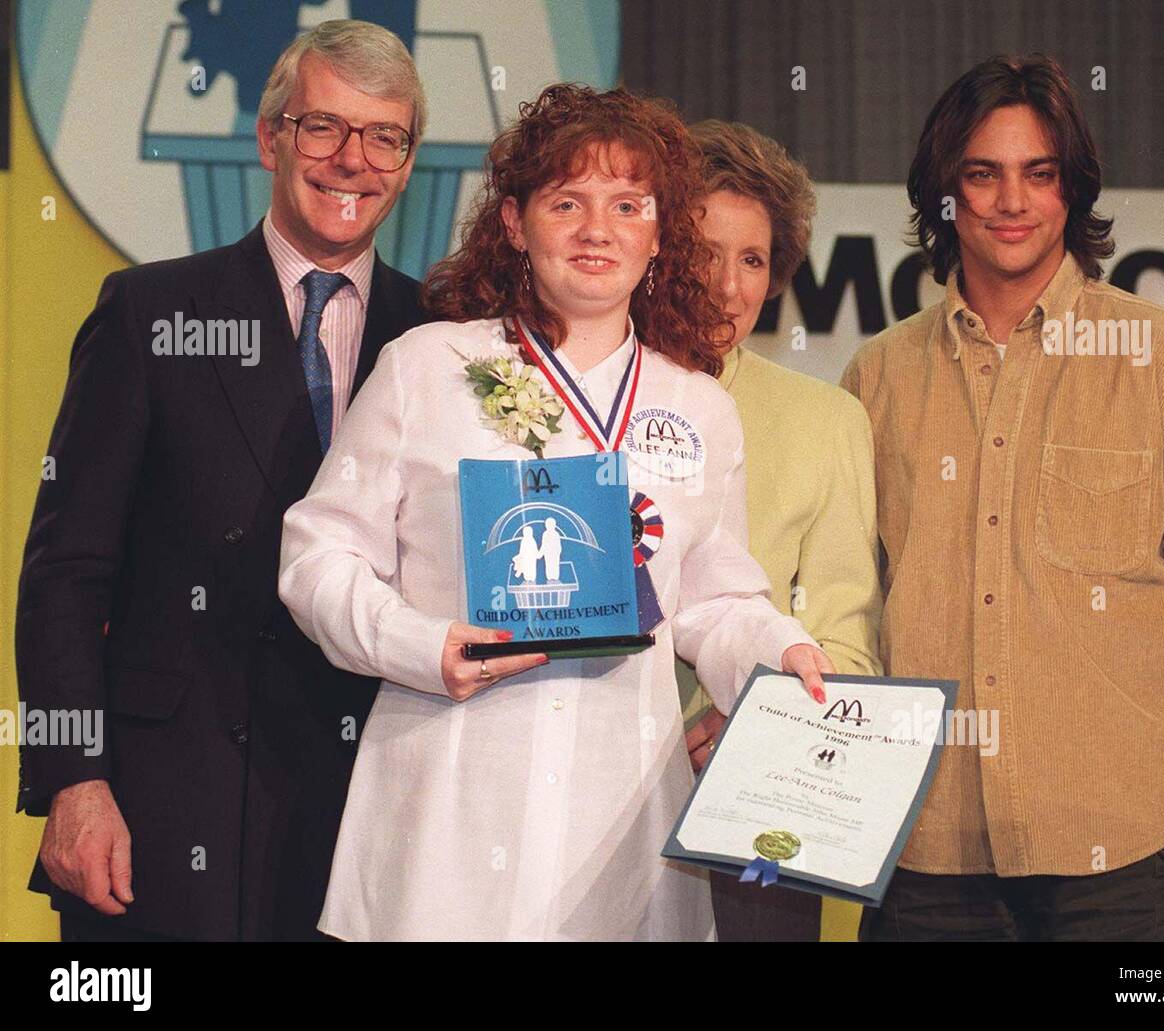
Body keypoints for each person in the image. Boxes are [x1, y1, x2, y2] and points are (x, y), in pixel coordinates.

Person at [277, 83, 834, 941]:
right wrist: (423, 644)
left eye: (627, 205)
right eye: (566, 202)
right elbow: (317, 557)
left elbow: (716, 601)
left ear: (661, 232)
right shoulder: (426, 367)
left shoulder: (700, 407)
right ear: (514, 222)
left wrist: (782, 651)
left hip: (622, 841)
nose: (596, 229)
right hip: (443, 833)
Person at [840, 54, 1164, 942]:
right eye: (983, 174)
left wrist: (1128, 733)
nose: (1012, 201)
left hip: (1126, 853)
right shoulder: (877, 376)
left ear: (1071, 189)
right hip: (927, 854)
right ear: (945, 194)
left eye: (1038, 173)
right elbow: (855, 601)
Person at [15, 20, 430, 941]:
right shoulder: (150, 312)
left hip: (369, 807)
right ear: (270, 137)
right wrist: (73, 781)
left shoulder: (444, 336)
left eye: (384, 137)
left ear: (407, 165)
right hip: (166, 809)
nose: (352, 160)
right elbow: (65, 575)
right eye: (323, 126)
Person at [677, 120, 883, 941]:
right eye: (703, 252)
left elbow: (847, 643)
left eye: (754, 260)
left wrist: (756, 729)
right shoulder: (580, 390)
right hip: (577, 798)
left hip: (754, 814)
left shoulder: (825, 419)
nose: (727, 288)